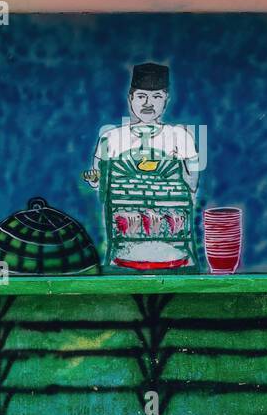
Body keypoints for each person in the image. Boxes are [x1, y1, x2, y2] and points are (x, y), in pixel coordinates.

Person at [83, 62, 200, 271]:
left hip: (172, 239)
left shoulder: (181, 137)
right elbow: (101, 187)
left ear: (166, 100)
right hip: (124, 237)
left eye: (156, 97)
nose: (148, 103)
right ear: (130, 99)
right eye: (141, 96)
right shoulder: (111, 138)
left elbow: (192, 185)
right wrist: (96, 180)